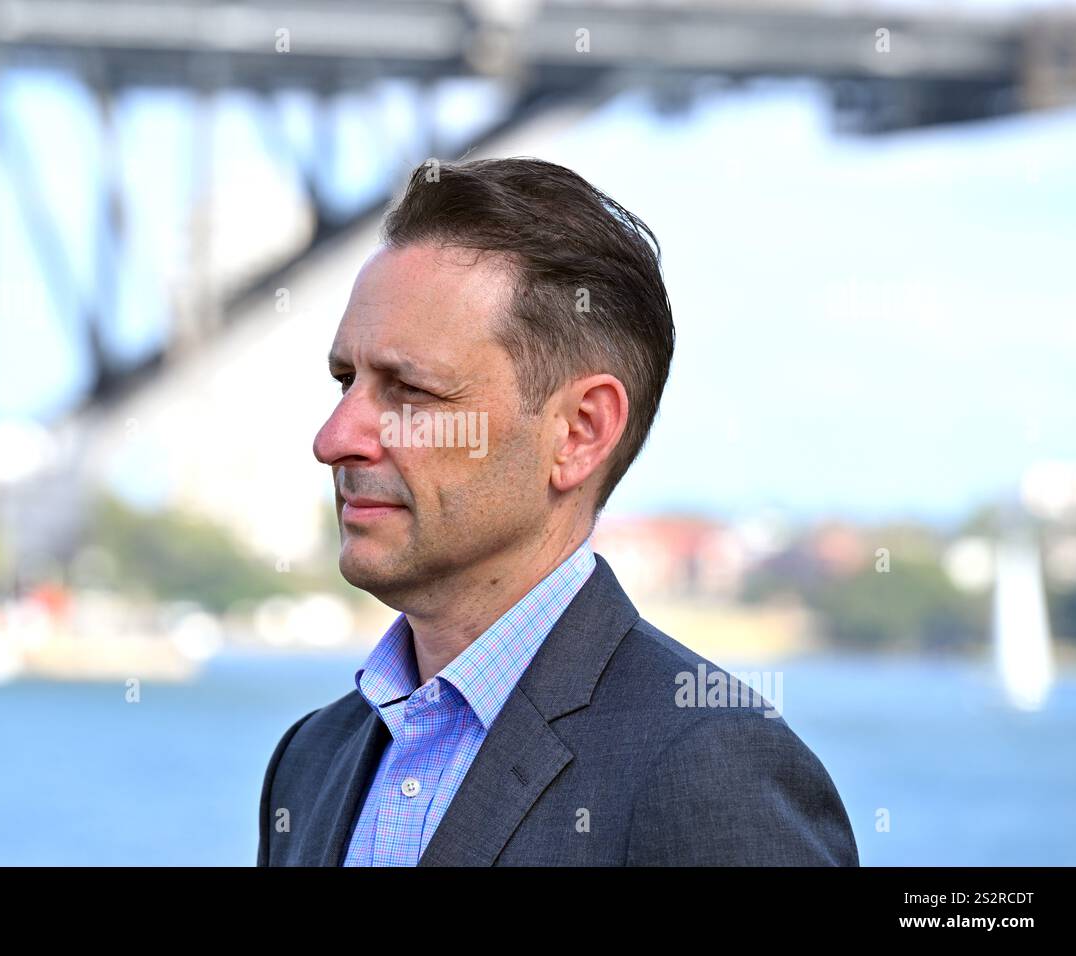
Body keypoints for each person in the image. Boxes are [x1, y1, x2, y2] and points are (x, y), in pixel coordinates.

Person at [257, 157, 858, 866]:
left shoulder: (710, 769)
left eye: (410, 392)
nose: (334, 440)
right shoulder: (312, 761)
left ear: (578, 433)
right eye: (345, 380)